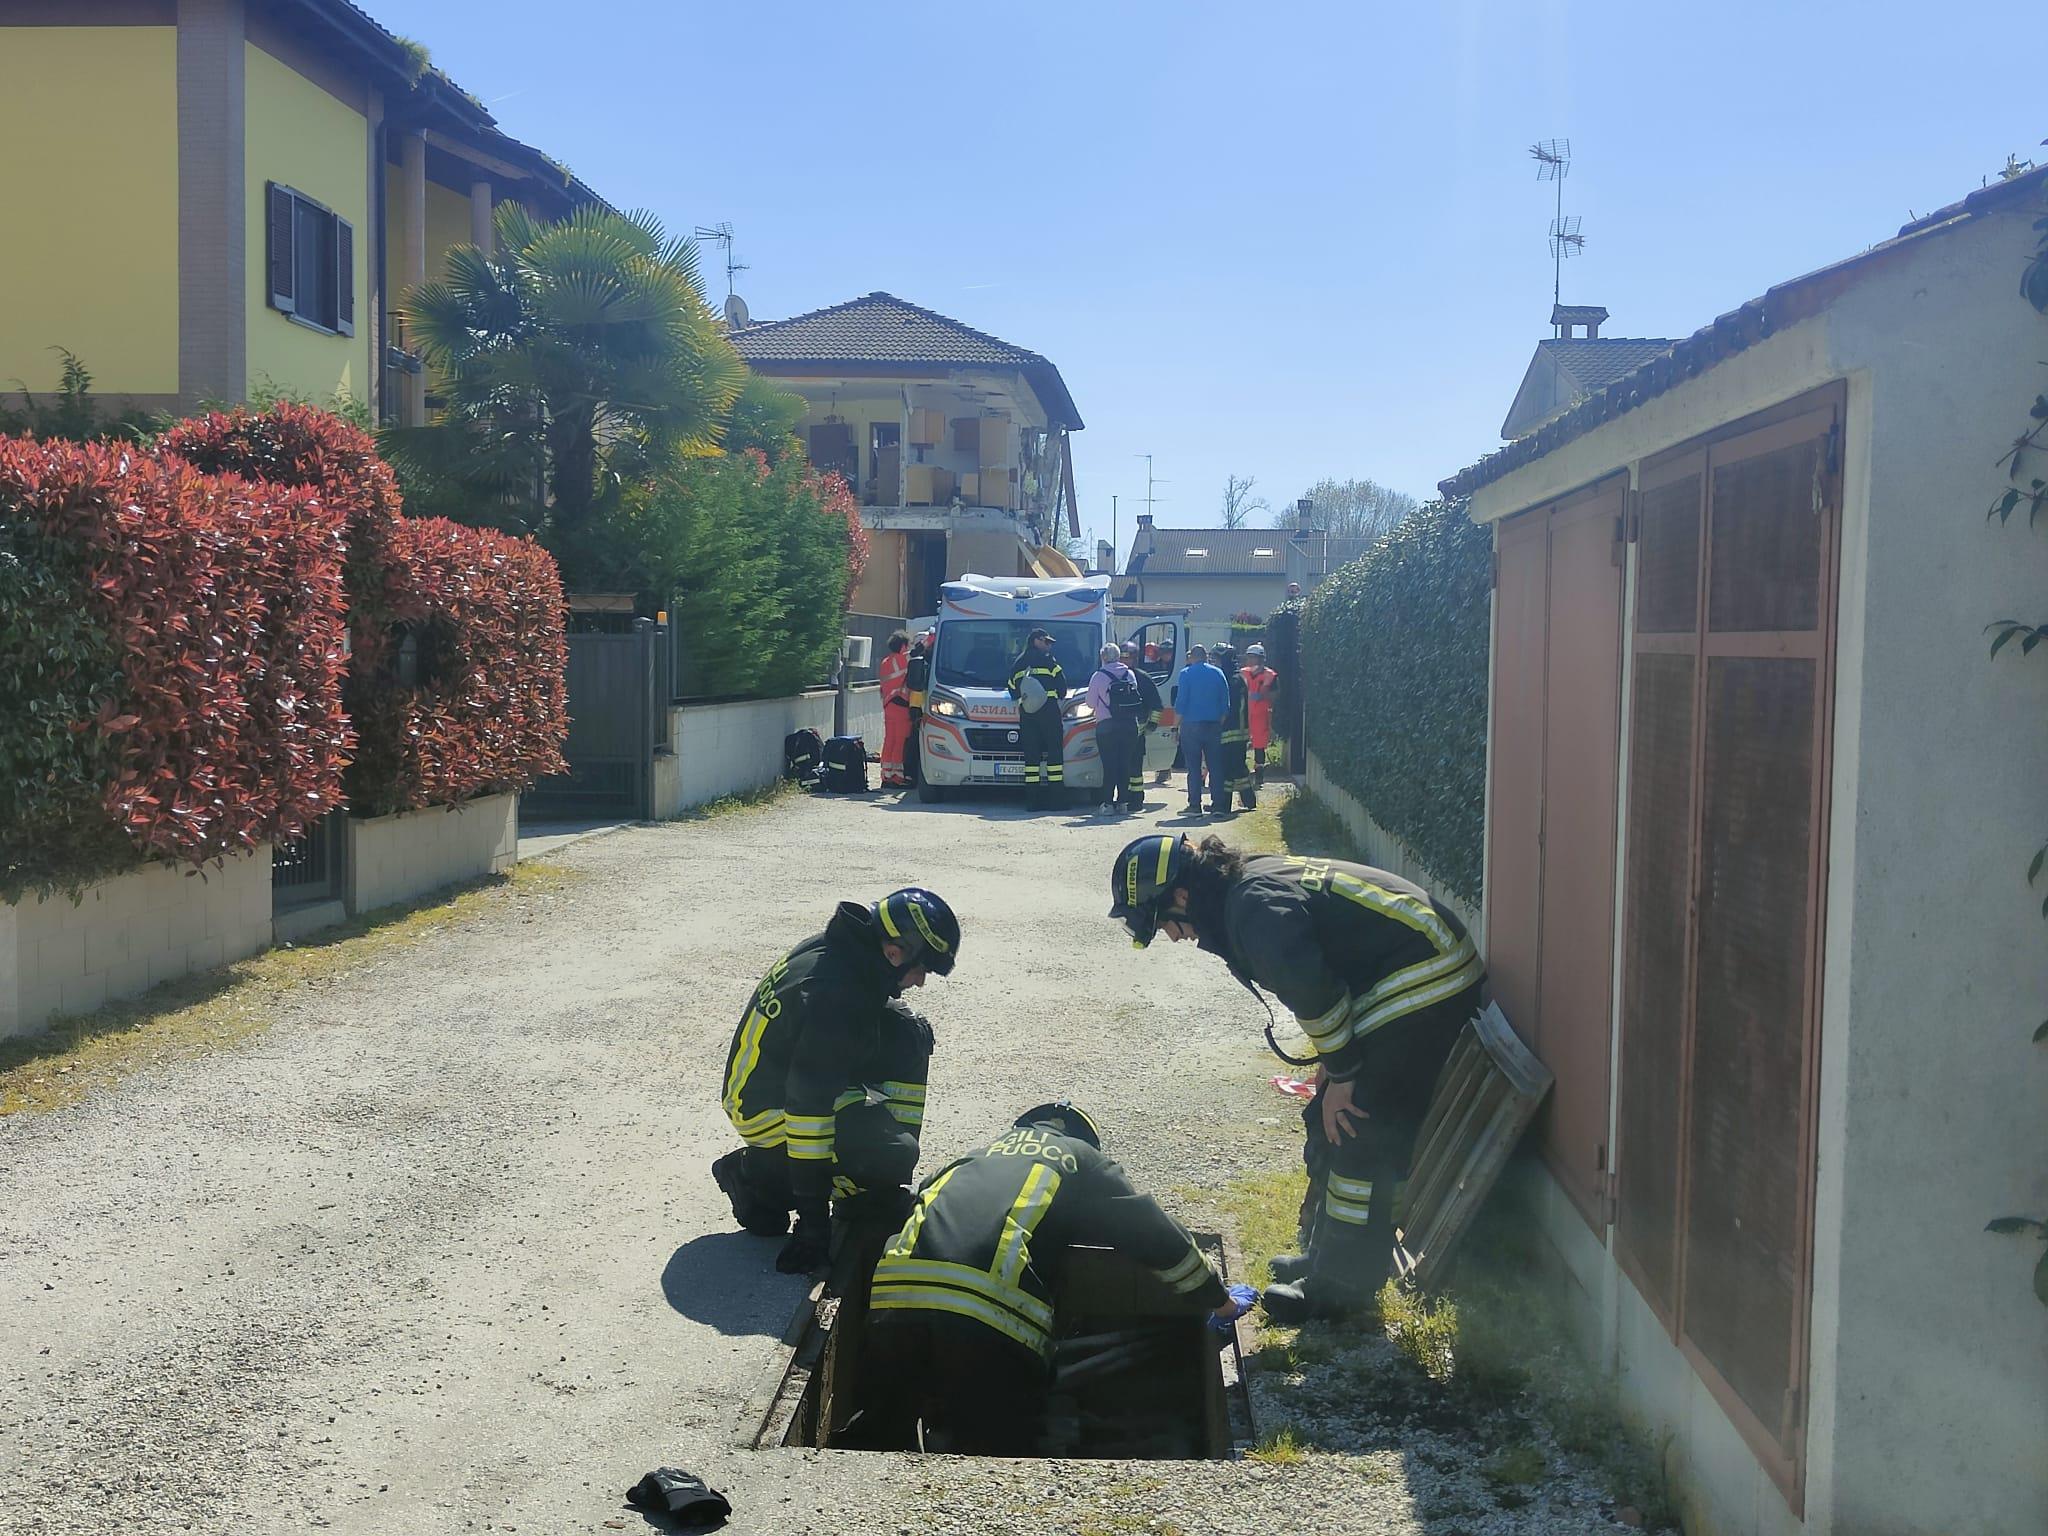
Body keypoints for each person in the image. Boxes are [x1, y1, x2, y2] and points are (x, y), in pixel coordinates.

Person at [1105, 834, 1483, 1323]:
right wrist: (1335, 1059)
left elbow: (1314, 991)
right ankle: (1330, 1256)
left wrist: (1344, 1073)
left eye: (1162, 923)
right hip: (1400, 979)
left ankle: (1342, 1290)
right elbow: (1324, 984)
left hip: (1427, 982)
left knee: (1357, 1126)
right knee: (1323, 1116)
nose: (1174, 937)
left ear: (1181, 896)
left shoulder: (1252, 909)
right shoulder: (1240, 894)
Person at [856, 1102, 1245, 1453]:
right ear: (1084, 1139)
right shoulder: (1080, 1159)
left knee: (884, 1437)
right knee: (993, 1454)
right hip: (986, 1320)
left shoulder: (968, 1160)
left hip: (894, 1303)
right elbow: (1151, 1232)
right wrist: (1219, 1300)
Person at [714, 888, 962, 1273]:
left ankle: (870, 1189)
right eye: (922, 968)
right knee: (889, 1156)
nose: (920, 981)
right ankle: (755, 1177)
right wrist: (814, 1226)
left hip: (790, 1068)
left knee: (911, 1036)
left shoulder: (850, 948)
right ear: (895, 952)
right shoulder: (837, 998)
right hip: (764, 1106)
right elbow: (806, 1111)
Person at [1006, 627, 1068, 810]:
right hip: (1049, 712)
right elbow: (1062, 688)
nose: (1049, 645)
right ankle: (1057, 801)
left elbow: (1012, 689)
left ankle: (1033, 802)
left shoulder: (1018, 663)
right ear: (1035, 641)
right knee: (1054, 756)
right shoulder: (1049, 662)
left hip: (1028, 714)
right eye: (1045, 641)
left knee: (1031, 759)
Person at [1085, 644, 1145, 813]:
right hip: (1129, 725)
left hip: (1107, 726)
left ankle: (1108, 803)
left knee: (1109, 765)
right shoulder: (1129, 674)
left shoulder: (1098, 676)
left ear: (1103, 657)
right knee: (1124, 764)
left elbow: (1090, 702)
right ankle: (1123, 803)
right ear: (1118, 656)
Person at [1173, 645, 1230, 816]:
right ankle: (1218, 805)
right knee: (1215, 766)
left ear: (1192, 657)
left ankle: (1195, 805)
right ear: (1206, 657)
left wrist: (1175, 727)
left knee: (1193, 767)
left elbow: (1181, 703)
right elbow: (1225, 705)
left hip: (1191, 726)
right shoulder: (1218, 673)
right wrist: (1218, 723)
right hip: (1213, 725)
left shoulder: (1186, 674)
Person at [1118, 641, 1164, 804]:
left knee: (1135, 767)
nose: (1124, 661)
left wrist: (1151, 724)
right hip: (1116, 731)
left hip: (1137, 731)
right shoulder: (1112, 675)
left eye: (1127, 658)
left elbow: (1157, 706)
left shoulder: (1143, 678)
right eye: (1121, 658)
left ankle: (1136, 798)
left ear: (1135, 659)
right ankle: (1123, 797)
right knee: (1120, 766)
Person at [1213, 643, 1255, 813]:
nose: (1214, 662)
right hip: (1237, 732)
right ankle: (1249, 800)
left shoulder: (1232, 681)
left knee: (1227, 769)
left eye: (1217, 659)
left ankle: (1224, 805)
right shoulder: (1235, 678)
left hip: (1230, 732)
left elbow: (1229, 708)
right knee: (1237, 768)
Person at [878, 631, 913, 789]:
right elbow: (920, 649)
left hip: (888, 706)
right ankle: (898, 777)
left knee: (889, 740)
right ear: (903, 646)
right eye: (908, 645)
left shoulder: (885, 662)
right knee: (900, 741)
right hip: (901, 706)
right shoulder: (902, 659)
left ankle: (886, 775)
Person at [1241, 644, 1278, 785]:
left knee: (1259, 747)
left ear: (1261, 659)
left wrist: (1263, 695)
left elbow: (1275, 695)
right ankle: (1242, 773)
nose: (1250, 660)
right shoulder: (1242, 673)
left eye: (1253, 657)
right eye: (1249, 657)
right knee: (1240, 744)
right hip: (1244, 714)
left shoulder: (1270, 676)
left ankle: (1259, 777)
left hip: (1261, 715)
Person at [903, 629, 933, 787]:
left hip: (919, 703)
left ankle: (911, 773)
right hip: (918, 705)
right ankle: (911, 773)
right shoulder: (918, 659)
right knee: (915, 740)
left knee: (915, 740)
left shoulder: (917, 658)